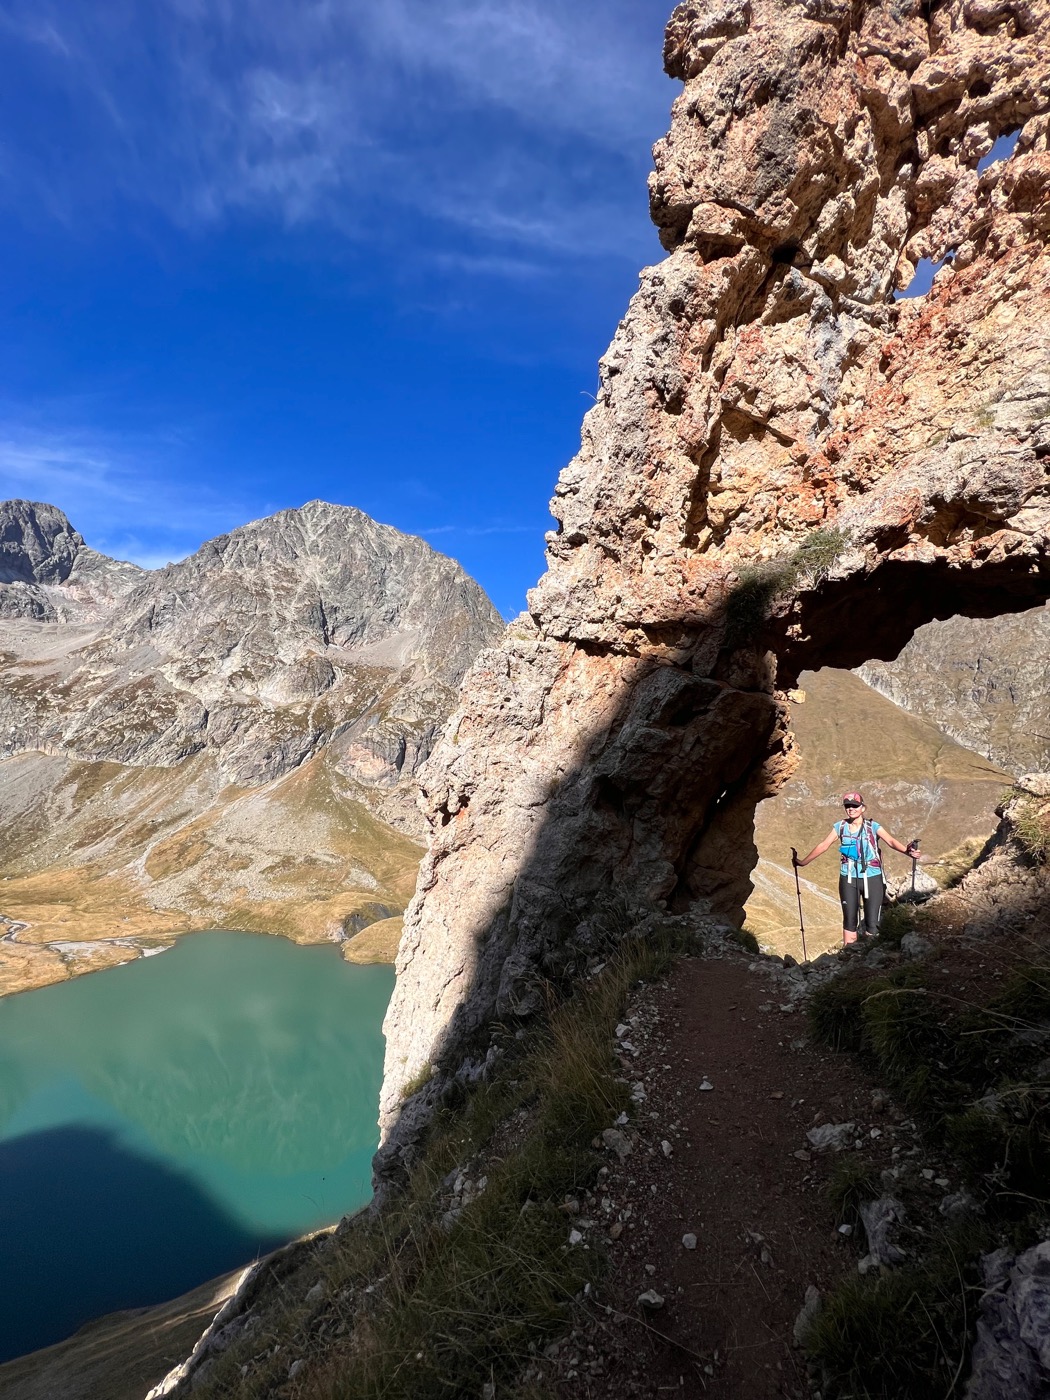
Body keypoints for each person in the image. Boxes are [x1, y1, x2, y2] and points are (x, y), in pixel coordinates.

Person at [791, 791, 923, 945]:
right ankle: (849, 954)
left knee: (873, 923)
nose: (851, 809)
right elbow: (824, 845)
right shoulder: (840, 827)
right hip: (848, 878)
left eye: (855, 806)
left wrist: (907, 852)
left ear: (862, 808)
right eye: (848, 806)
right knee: (849, 921)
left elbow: (891, 841)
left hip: (872, 877)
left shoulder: (873, 826)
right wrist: (803, 862)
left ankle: (868, 954)